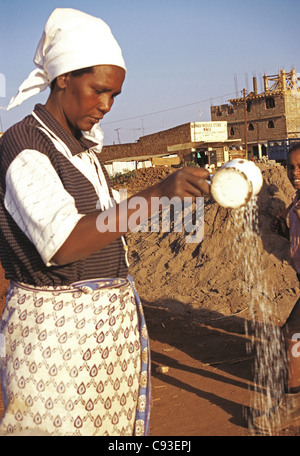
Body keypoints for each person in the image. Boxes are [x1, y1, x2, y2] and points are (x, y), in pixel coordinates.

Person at [0, 8, 210, 436]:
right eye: (98, 90)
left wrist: (169, 205)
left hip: (102, 339)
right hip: (55, 343)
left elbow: (105, 217)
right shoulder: (25, 147)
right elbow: (63, 244)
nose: (105, 106)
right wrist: (157, 194)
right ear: (63, 78)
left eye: (114, 96)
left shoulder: (83, 150)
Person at [254, 143, 300, 432]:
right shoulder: (296, 201)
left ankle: (293, 406)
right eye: (291, 167)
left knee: (292, 335)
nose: (296, 173)